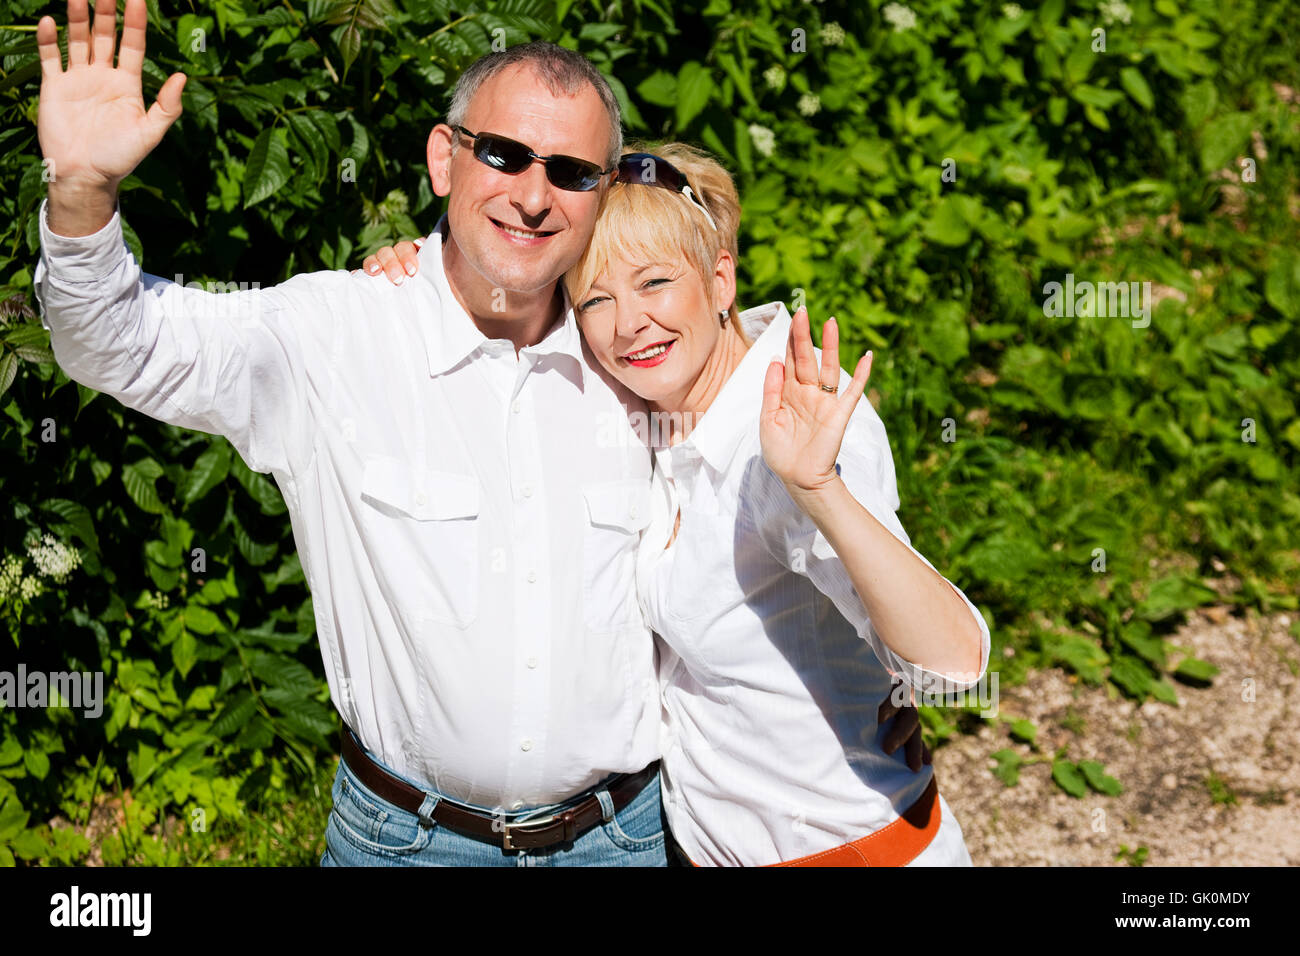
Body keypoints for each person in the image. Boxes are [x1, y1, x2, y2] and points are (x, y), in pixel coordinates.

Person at [31, 0, 931, 866]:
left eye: (573, 173)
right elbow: (119, 344)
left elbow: (758, 486)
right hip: (403, 843)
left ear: (599, 196)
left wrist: (873, 682)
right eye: (502, 155)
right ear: (443, 159)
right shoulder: (332, 335)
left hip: (624, 840)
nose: (534, 196)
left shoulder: (634, 358)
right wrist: (81, 194)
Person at [366, 142, 991, 865]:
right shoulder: (639, 409)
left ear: (720, 279)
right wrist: (427, 276)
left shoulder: (793, 423)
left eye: (655, 282)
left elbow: (949, 662)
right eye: (596, 297)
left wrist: (820, 490)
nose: (627, 322)